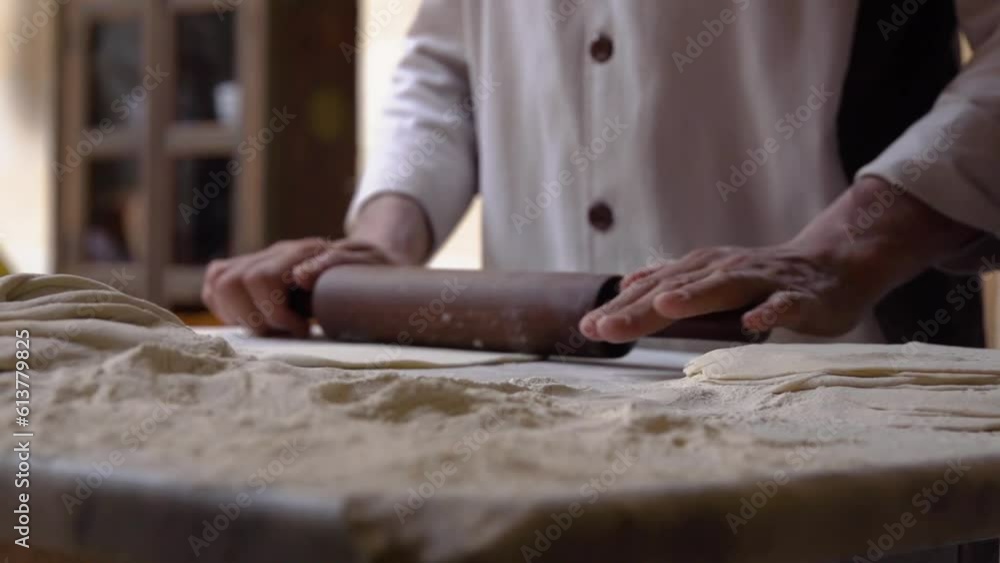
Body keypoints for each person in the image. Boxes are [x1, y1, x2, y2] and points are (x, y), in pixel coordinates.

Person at [202, 0, 1000, 348]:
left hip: (851, 382)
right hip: (540, 398)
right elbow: (445, 61)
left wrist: (842, 251)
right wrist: (380, 243)